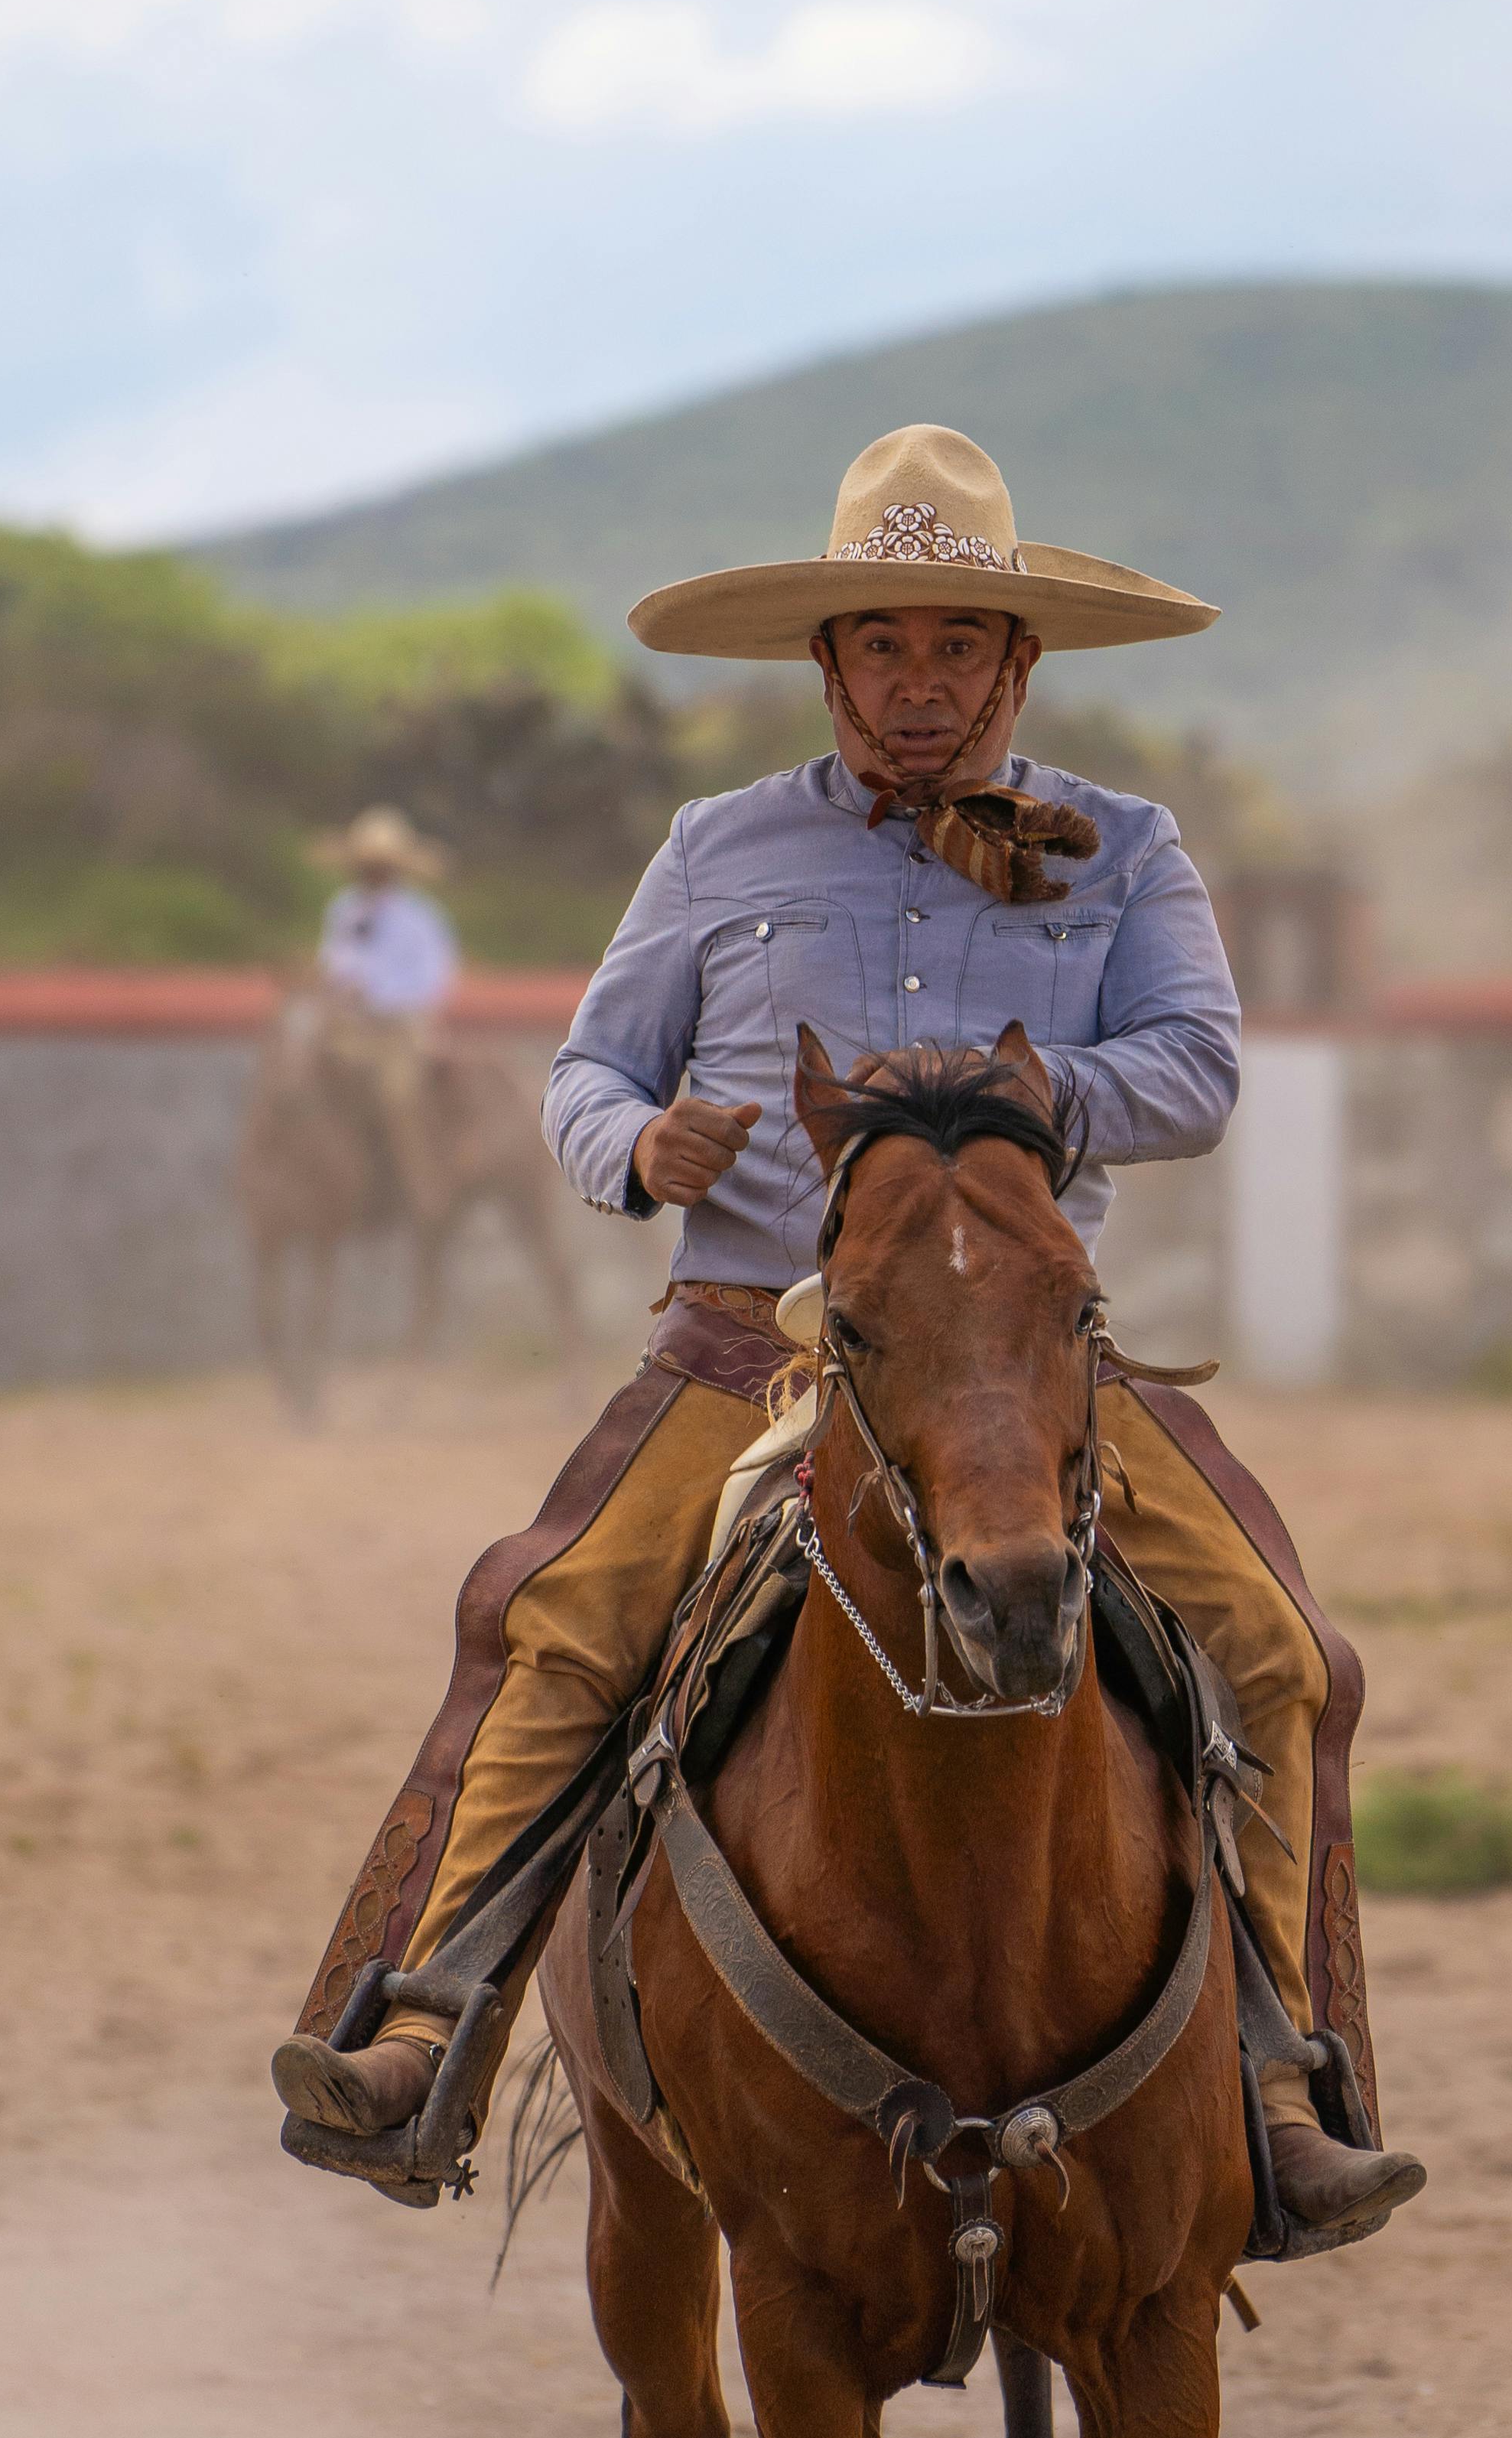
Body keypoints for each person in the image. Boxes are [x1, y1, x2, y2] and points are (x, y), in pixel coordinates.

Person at [271, 425, 1416, 2241]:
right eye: (881, 644)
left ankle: (1281, 2089)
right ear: (826, 662)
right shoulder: (716, 849)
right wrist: (640, 1146)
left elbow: (1198, 1069)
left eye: (957, 644)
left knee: (1279, 1653)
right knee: (546, 1620)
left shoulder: (1127, 854)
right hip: (746, 1347)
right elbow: (585, 1071)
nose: (917, 683)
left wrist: (999, 1111)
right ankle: (424, 2030)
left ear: (1020, 663)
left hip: (1022, 1363)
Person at [315, 806, 458, 1154]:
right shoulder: (343, 908)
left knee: (397, 1096)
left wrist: (378, 994)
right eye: (367, 866)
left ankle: (418, 1182)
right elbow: (332, 961)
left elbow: (435, 975)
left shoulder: (420, 916)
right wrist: (340, 988)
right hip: (347, 1026)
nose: (373, 874)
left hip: (399, 1029)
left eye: (380, 867)